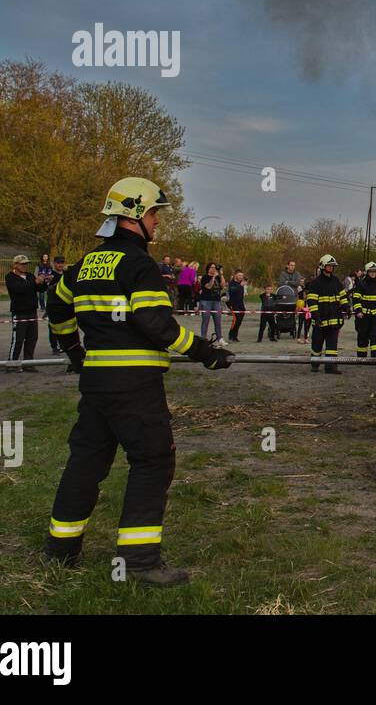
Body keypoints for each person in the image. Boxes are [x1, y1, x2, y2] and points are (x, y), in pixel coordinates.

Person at [43, 176, 233, 586]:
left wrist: (74, 352)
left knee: (85, 463)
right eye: (153, 213)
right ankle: (140, 562)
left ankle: (60, 550)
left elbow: (56, 304)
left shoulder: (86, 264)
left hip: (95, 384)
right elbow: (156, 325)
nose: (157, 222)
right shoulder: (140, 265)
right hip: (135, 386)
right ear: (133, 214)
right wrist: (207, 354)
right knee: (152, 462)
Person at [300, 254, 350, 373]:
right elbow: (312, 301)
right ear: (323, 266)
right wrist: (316, 316)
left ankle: (330, 367)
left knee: (332, 345)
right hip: (320, 319)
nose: (331, 268)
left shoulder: (336, 281)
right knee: (317, 343)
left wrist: (346, 307)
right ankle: (315, 364)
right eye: (329, 266)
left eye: (333, 266)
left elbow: (342, 296)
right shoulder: (316, 283)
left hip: (334, 319)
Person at [5, 255, 45, 371]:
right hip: (19, 312)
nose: (25, 266)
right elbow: (18, 289)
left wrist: (42, 282)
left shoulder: (30, 276)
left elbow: (41, 289)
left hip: (32, 311)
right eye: (22, 264)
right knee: (18, 339)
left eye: (26, 264)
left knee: (32, 338)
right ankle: (12, 363)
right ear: (15, 265)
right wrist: (34, 282)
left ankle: (28, 363)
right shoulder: (10, 277)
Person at [351, 262, 376, 359]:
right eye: (371, 272)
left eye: (374, 272)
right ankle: (361, 359)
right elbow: (356, 298)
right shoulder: (361, 284)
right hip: (364, 316)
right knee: (362, 338)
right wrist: (358, 311)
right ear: (367, 272)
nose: (373, 273)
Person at [198, 262, 225, 343]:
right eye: (212, 267)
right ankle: (203, 338)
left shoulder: (218, 277)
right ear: (208, 268)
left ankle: (220, 338)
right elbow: (209, 286)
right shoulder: (205, 277)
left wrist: (221, 275)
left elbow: (222, 286)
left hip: (216, 300)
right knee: (205, 320)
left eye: (215, 268)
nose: (214, 269)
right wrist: (213, 277)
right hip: (206, 300)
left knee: (218, 320)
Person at [45, 256, 67, 353]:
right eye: (58, 263)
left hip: (66, 305)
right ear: (54, 263)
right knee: (53, 328)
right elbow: (47, 289)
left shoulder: (66, 275)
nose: (60, 265)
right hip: (53, 305)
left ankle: (64, 345)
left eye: (62, 263)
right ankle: (54, 347)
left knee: (65, 327)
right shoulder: (51, 275)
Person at [226, 270, 246, 343]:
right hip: (233, 304)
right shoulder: (232, 283)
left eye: (242, 275)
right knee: (236, 320)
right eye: (239, 275)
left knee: (239, 320)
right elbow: (232, 290)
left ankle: (235, 336)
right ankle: (231, 335)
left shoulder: (241, 283)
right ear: (235, 275)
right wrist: (240, 286)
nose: (241, 277)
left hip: (241, 304)